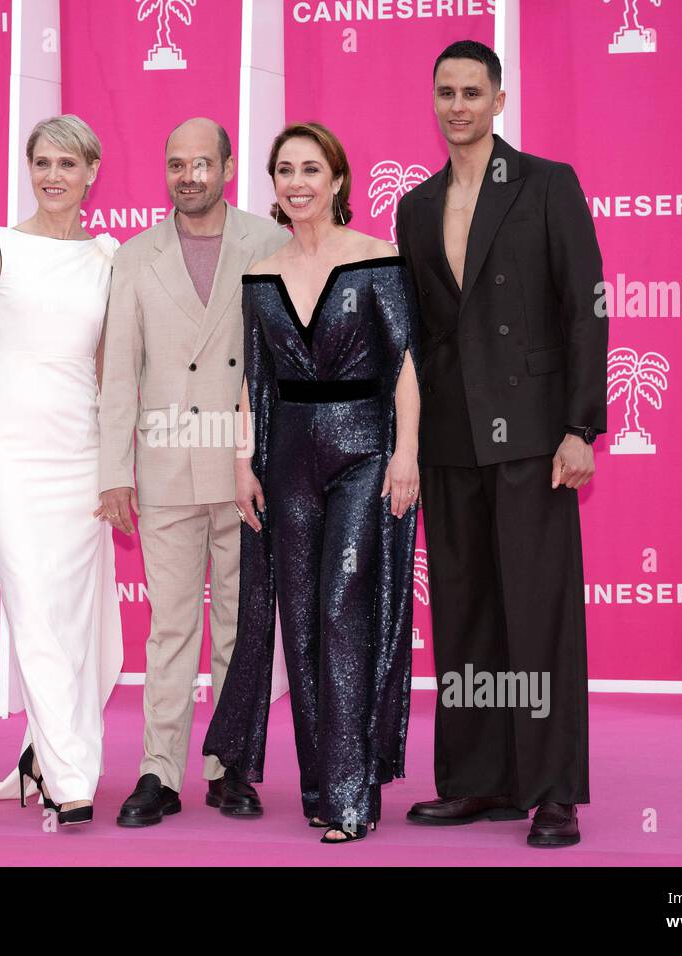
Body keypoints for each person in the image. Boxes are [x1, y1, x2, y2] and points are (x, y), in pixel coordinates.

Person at [395, 41, 606, 848]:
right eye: (445, 91)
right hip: (450, 440)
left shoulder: (548, 185)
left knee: (540, 616)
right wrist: (406, 443)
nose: (457, 105)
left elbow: (585, 308)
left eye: (472, 92)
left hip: (532, 437)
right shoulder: (415, 206)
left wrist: (581, 426)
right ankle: (479, 782)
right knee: (466, 615)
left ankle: (552, 790)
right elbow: (412, 337)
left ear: (499, 99)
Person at [202, 123, 421, 844]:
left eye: (311, 169)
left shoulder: (379, 258)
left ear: (337, 179)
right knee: (298, 626)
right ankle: (324, 786)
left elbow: (405, 368)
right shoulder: (260, 272)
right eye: (284, 170)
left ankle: (354, 795)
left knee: (339, 609)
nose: (297, 182)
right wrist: (241, 462)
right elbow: (251, 382)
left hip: (364, 452)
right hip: (286, 459)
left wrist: (406, 454)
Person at [99, 118, 290, 828]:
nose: (188, 176)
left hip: (245, 467)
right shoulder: (135, 256)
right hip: (167, 463)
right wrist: (114, 472)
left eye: (201, 163)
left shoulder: (268, 244)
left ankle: (231, 764)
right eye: (176, 163)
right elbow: (119, 374)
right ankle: (158, 772)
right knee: (171, 628)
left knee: (243, 625)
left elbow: (282, 363)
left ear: (228, 167)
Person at [0, 115, 123, 827]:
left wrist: (114, 464)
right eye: (42, 162)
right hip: (8, 448)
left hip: (79, 452)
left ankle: (42, 755)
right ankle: (72, 776)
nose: (53, 176)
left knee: (78, 623)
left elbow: (111, 370)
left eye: (67, 164)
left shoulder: (108, 256)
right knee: (36, 608)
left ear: (92, 171)